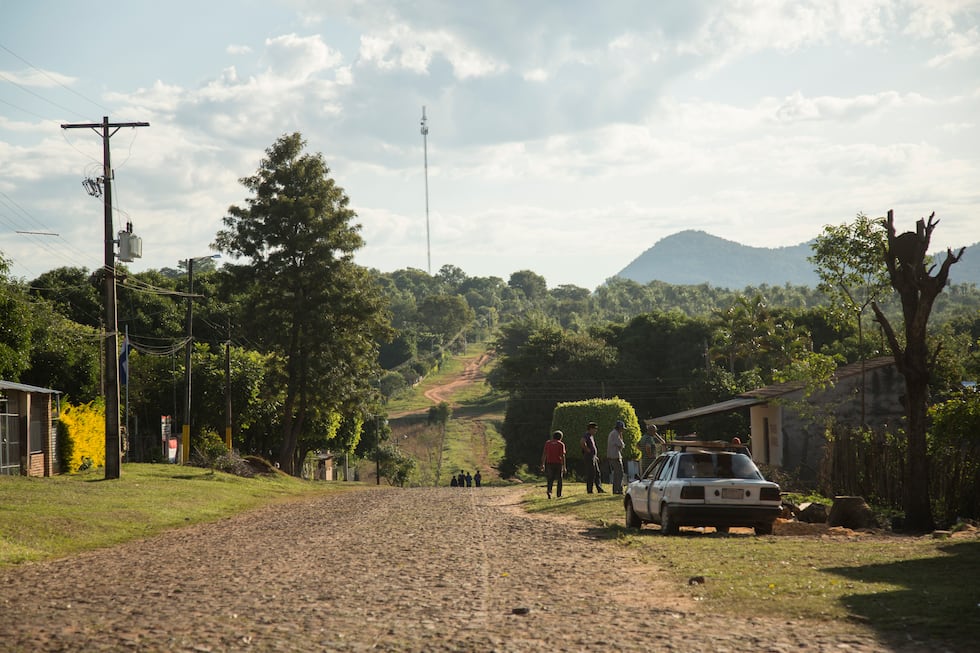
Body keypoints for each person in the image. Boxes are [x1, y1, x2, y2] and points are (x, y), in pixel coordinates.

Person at [581, 421, 605, 494]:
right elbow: (582, 442)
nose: (596, 430)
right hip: (589, 457)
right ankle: (589, 490)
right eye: (595, 429)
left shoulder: (591, 436)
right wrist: (587, 450)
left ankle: (599, 488)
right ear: (590, 429)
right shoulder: (586, 435)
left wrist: (595, 456)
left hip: (593, 457)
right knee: (591, 474)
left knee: (597, 473)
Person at [541, 430, 566, 499]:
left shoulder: (548, 443)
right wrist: (564, 466)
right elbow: (563, 456)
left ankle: (549, 491)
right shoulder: (561, 444)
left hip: (549, 463)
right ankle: (559, 494)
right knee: (559, 479)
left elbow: (544, 454)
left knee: (550, 478)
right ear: (560, 437)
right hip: (558, 463)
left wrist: (543, 464)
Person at [606, 420, 626, 494]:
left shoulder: (613, 433)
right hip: (615, 456)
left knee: (616, 474)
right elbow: (621, 444)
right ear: (619, 428)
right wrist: (621, 438)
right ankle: (619, 490)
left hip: (612, 456)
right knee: (620, 473)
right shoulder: (615, 434)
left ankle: (615, 490)